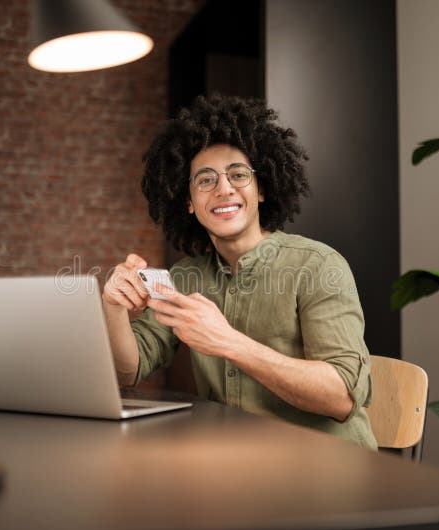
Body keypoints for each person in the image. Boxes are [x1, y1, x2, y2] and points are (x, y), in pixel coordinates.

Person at [102, 94, 376, 449]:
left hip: (329, 472)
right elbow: (128, 370)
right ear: (188, 202)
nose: (224, 189)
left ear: (261, 189)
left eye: (238, 175)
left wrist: (228, 342)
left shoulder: (318, 266)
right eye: (205, 180)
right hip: (235, 466)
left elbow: (341, 397)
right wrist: (113, 306)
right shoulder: (185, 279)